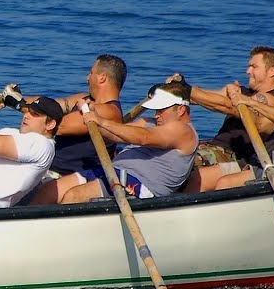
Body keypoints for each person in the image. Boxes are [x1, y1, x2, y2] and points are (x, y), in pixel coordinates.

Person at [32, 82, 198, 204]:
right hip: (113, 173)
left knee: (74, 196)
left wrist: (102, 122)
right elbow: (115, 134)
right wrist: (92, 119)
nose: (157, 115)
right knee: (51, 190)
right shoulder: (148, 122)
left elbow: (144, 138)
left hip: (138, 186)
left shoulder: (183, 131)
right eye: (156, 110)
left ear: (181, 109)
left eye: (161, 110)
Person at [179, 46, 274, 191]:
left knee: (181, 161)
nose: (248, 71)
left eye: (254, 66)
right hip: (213, 149)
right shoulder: (241, 91)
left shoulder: (273, 101)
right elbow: (209, 97)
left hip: (232, 156)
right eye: (248, 66)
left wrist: (187, 90)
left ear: (272, 71)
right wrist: (177, 90)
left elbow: (230, 107)